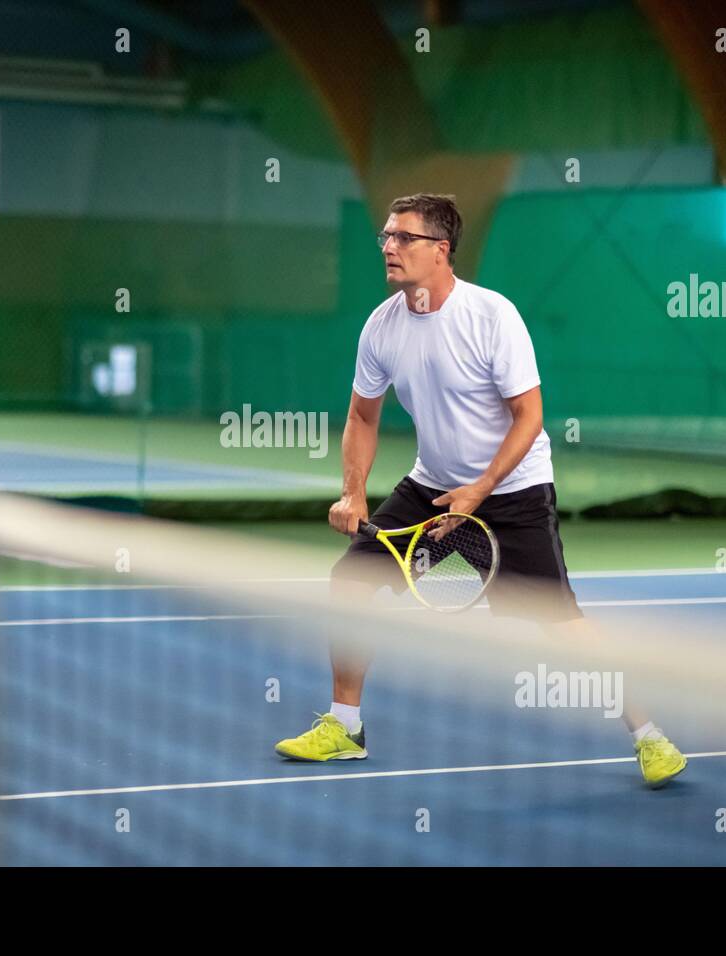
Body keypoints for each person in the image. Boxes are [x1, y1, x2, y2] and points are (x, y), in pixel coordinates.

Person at [273, 192, 687, 788]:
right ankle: (345, 728)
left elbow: (529, 416)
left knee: (560, 624)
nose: (388, 247)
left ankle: (650, 737)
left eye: (403, 238)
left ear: (441, 251)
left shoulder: (492, 316)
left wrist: (482, 488)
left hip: (513, 490)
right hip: (432, 487)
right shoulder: (382, 326)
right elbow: (362, 417)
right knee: (350, 582)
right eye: (385, 237)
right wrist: (353, 493)